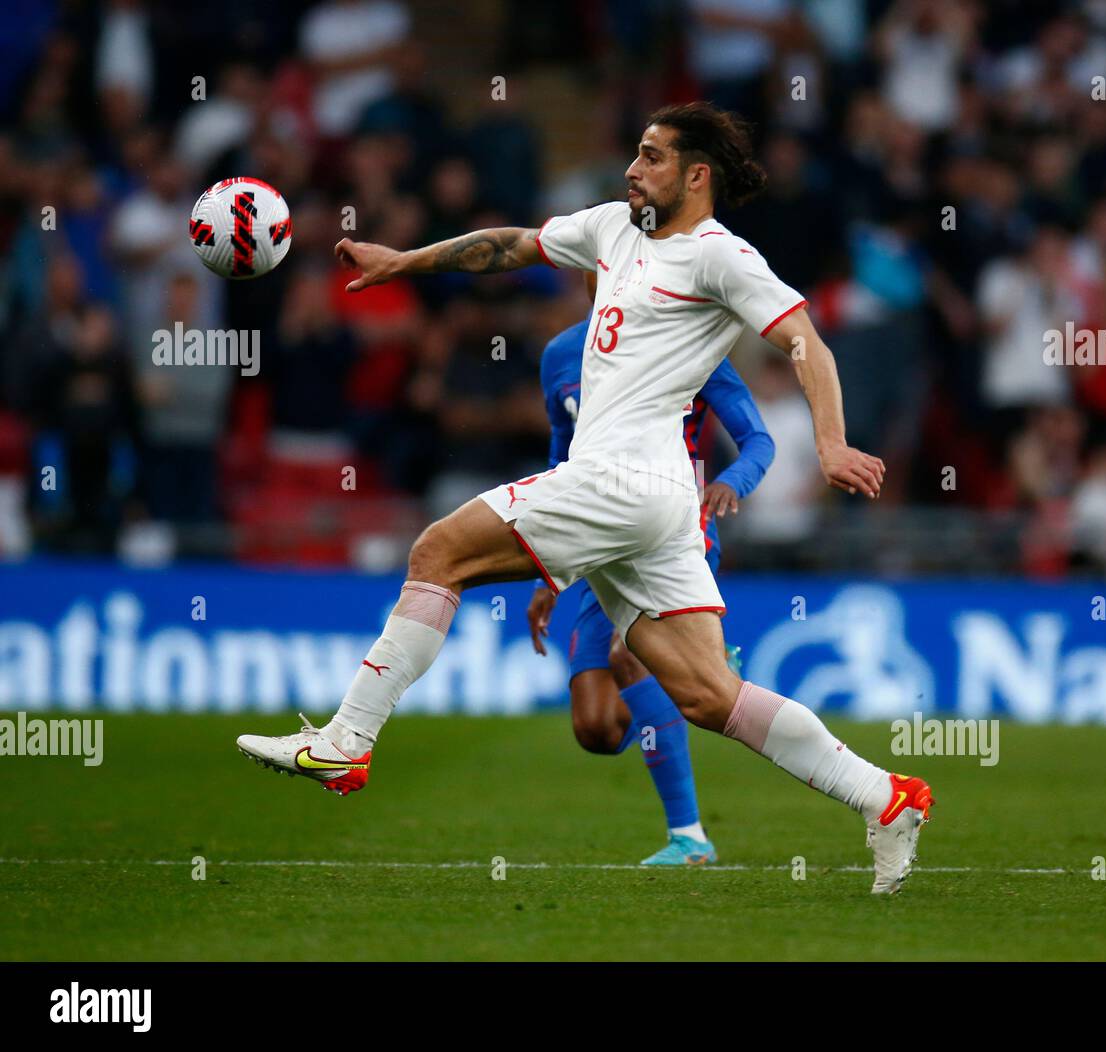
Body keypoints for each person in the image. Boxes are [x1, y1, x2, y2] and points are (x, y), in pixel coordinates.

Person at [237, 102, 934, 894]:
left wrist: (832, 443)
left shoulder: (721, 257)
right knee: (710, 696)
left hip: (622, 481)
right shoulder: (614, 227)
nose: (632, 170)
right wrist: (405, 263)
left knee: (438, 552)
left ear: (696, 175)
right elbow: (510, 246)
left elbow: (807, 340)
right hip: (655, 502)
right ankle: (887, 798)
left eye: (651, 157)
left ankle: (348, 739)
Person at [527, 269, 774, 865]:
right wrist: (548, 566)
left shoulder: (691, 343)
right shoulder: (562, 354)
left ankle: (690, 838)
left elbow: (758, 440)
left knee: (627, 654)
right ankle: (692, 662)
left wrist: (728, 483)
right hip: (596, 542)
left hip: (675, 533)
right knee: (598, 728)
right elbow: (562, 458)